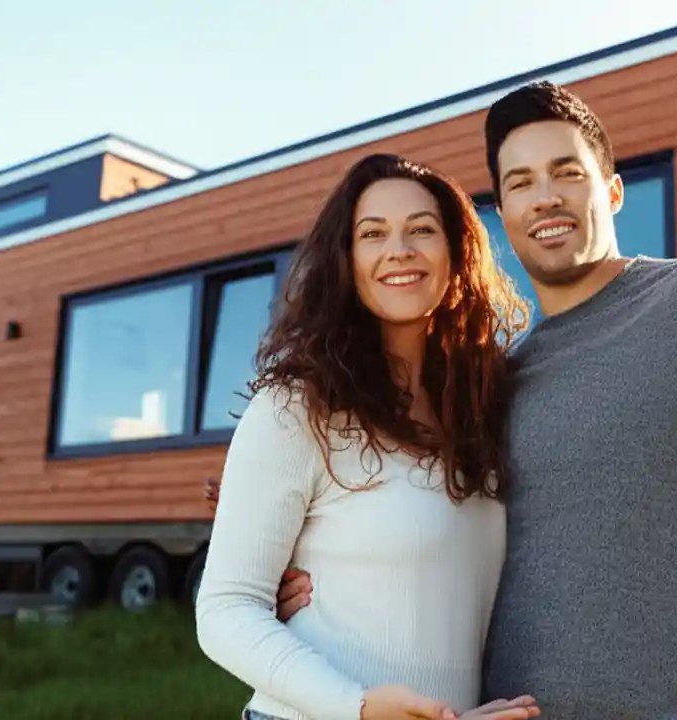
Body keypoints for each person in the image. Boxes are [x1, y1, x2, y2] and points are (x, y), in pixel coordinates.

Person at [275, 80, 677, 718]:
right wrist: (308, 567)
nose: (545, 198)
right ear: (502, 215)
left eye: (568, 172)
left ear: (613, 191)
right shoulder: (497, 381)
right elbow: (423, 529)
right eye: (521, 183)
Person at [194, 152, 543, 720]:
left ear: (456, 255)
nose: (399, 250)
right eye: (373, 233)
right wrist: (354, 706)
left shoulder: (484, 407)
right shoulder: (297, 407)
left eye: (421, 230)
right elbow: (226, 609)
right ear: (346, 260)